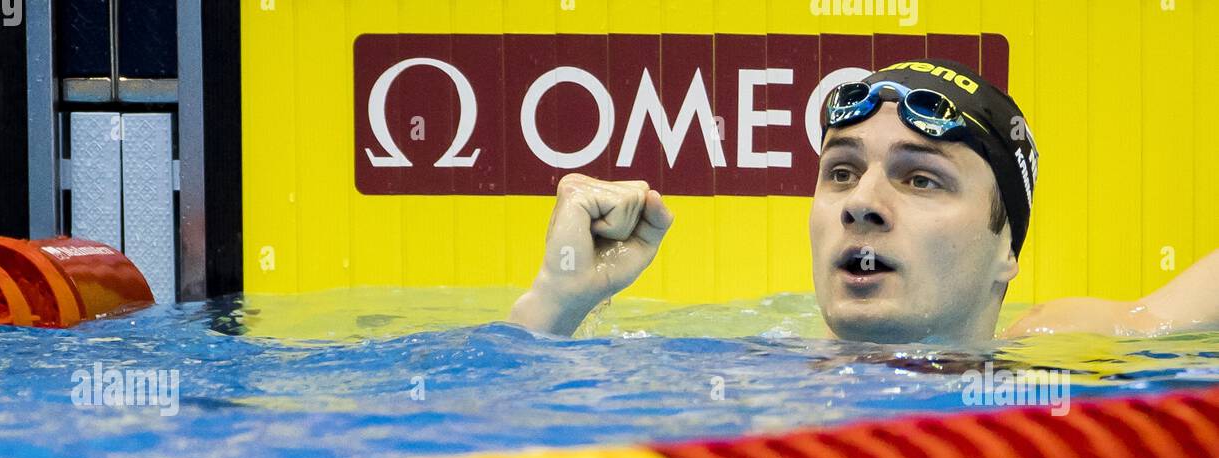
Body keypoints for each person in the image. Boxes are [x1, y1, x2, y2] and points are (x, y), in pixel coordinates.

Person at [509, 58, 1219, 344]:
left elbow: (1165, 317)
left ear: (1008, 248)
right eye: (841, 173)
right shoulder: (747, 378)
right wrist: (559, 299)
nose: (862, 204)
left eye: (921, 178)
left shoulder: (1056, 349)